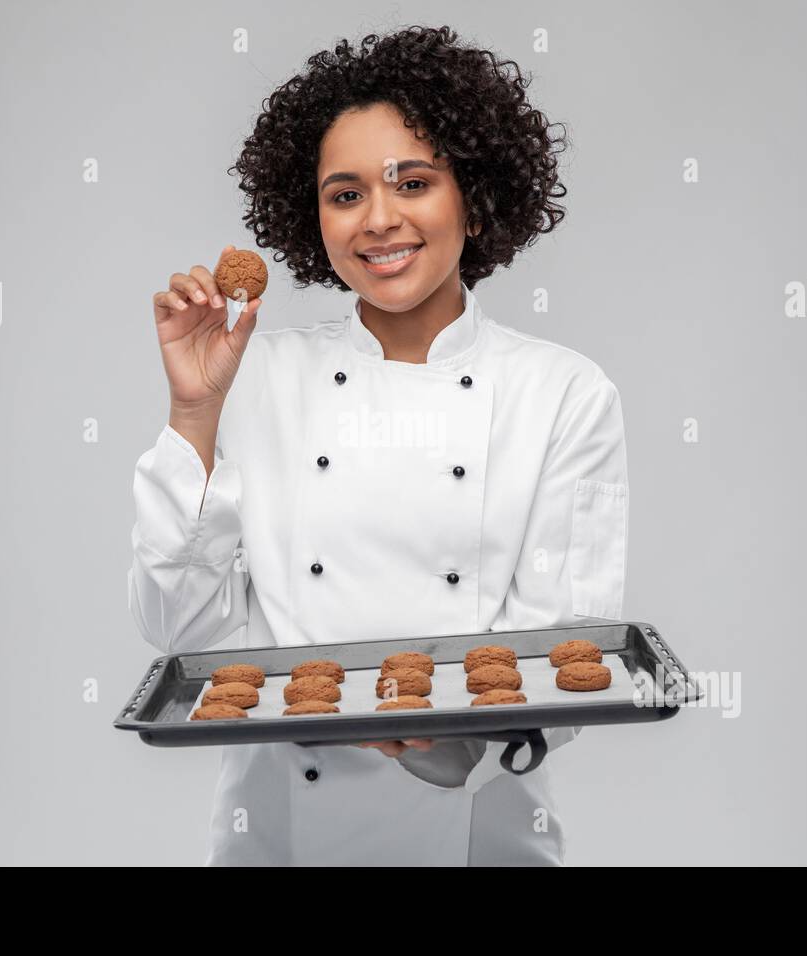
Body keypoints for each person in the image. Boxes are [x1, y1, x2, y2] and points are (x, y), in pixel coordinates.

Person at [128, 25, 628, 865]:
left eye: (415, 181)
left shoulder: (564, 394)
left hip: (477, 835)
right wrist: (193, 411)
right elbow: (178, 633)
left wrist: (441, 743)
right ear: (310, 215)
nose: (380, 220)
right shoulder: (256, 374)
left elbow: (560, 658)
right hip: (278, 833)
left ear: (474, 193)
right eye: (346, 193)